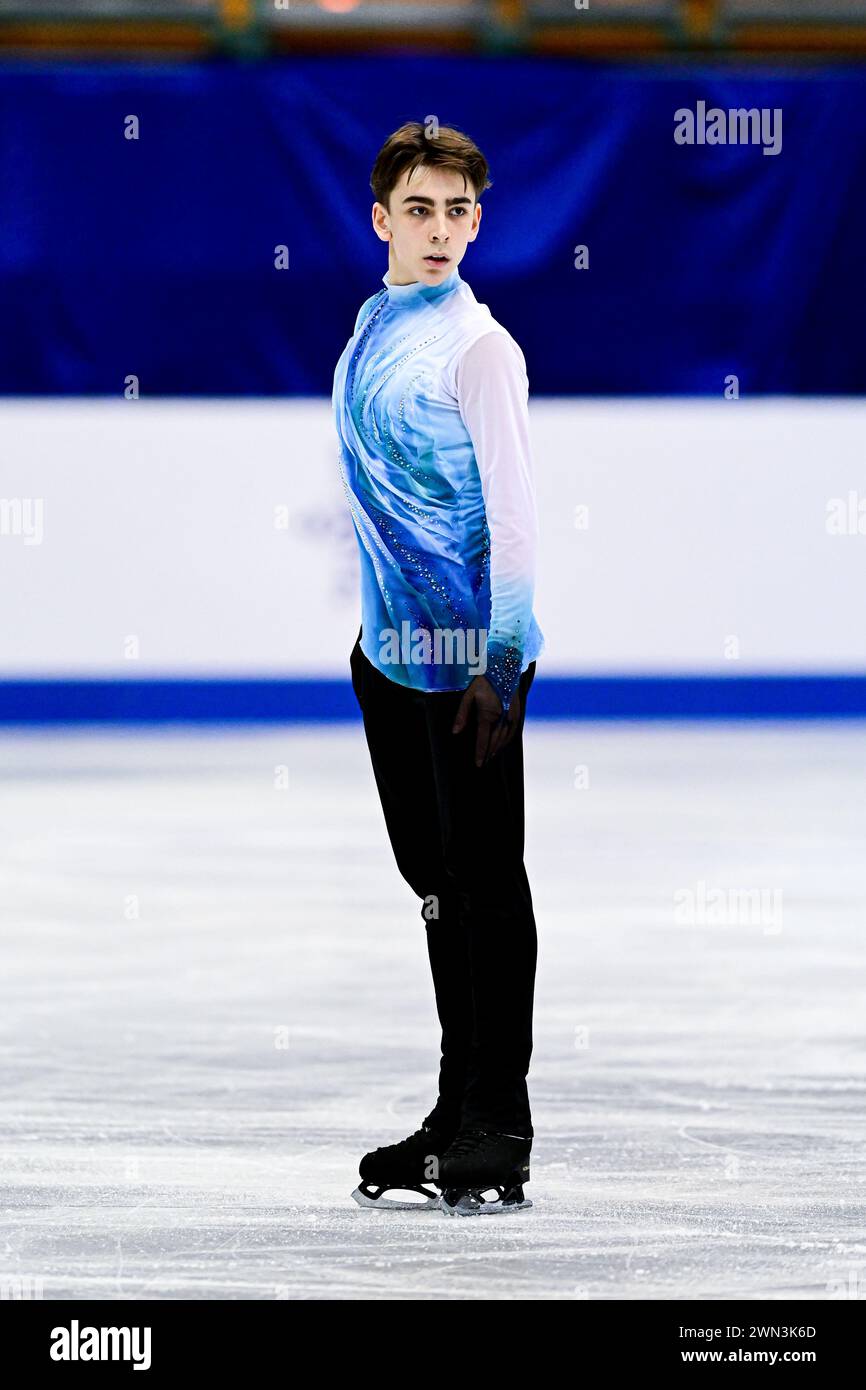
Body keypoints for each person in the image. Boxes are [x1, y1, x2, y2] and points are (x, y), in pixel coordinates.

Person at [332, 121, 545, 1216]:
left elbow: (512, 519)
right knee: (433, 884)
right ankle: (452, 1106)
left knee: (483, 880)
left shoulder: (479, 348)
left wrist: (500, 664)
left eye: (459, 211)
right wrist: (370, 652)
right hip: (390, 661)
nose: (441, 231)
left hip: (471, 664)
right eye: (420, 210)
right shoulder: (373, 325)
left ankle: (497, 1121)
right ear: (381, 219)